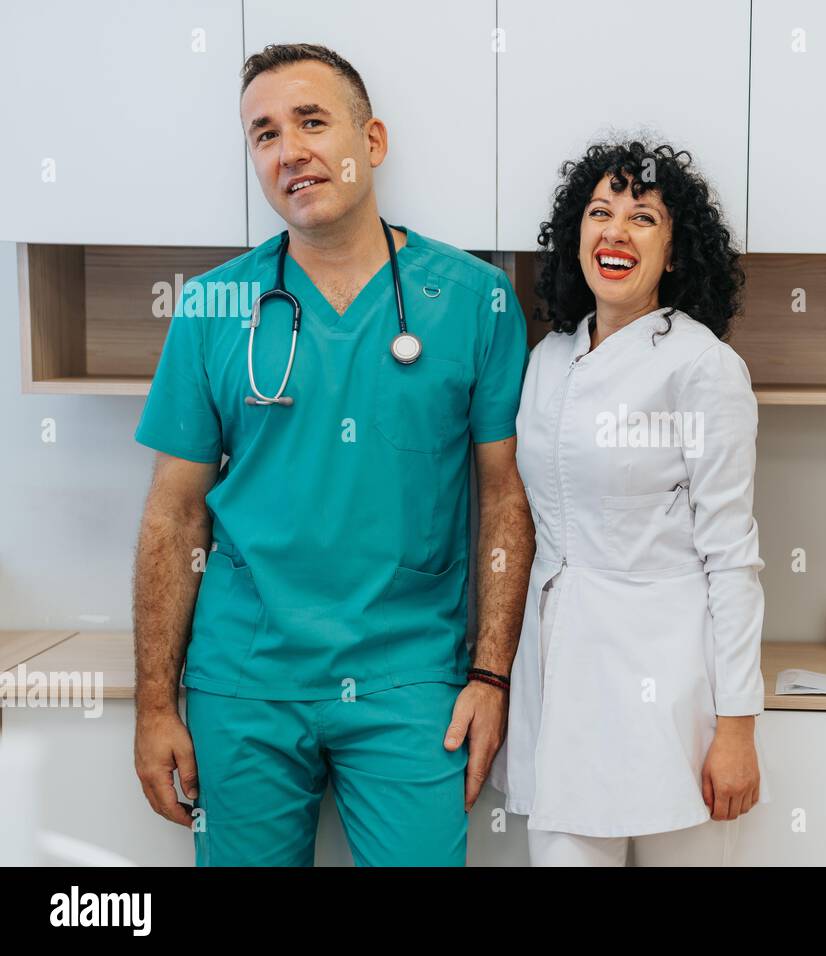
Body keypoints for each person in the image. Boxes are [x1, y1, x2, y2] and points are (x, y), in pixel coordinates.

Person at [130, 43, 531, 866]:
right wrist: (153, 705)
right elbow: (174, 513)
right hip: (243, 679)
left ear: (371, 141)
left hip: (411, 680)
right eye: (264, 134)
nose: (289, 151)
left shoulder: (476, 301)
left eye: (312, 122)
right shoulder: (214, 307)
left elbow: (504, 500)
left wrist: (491, 677)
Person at [488, 141, 768, 866]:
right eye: (599, 212)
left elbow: (732, 555)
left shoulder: (703, 368)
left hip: (670, 682)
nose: (614, 231)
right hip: (559, 677)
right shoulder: (545, 359)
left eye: (642, 217)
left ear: (674, 253)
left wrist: (737, 726)